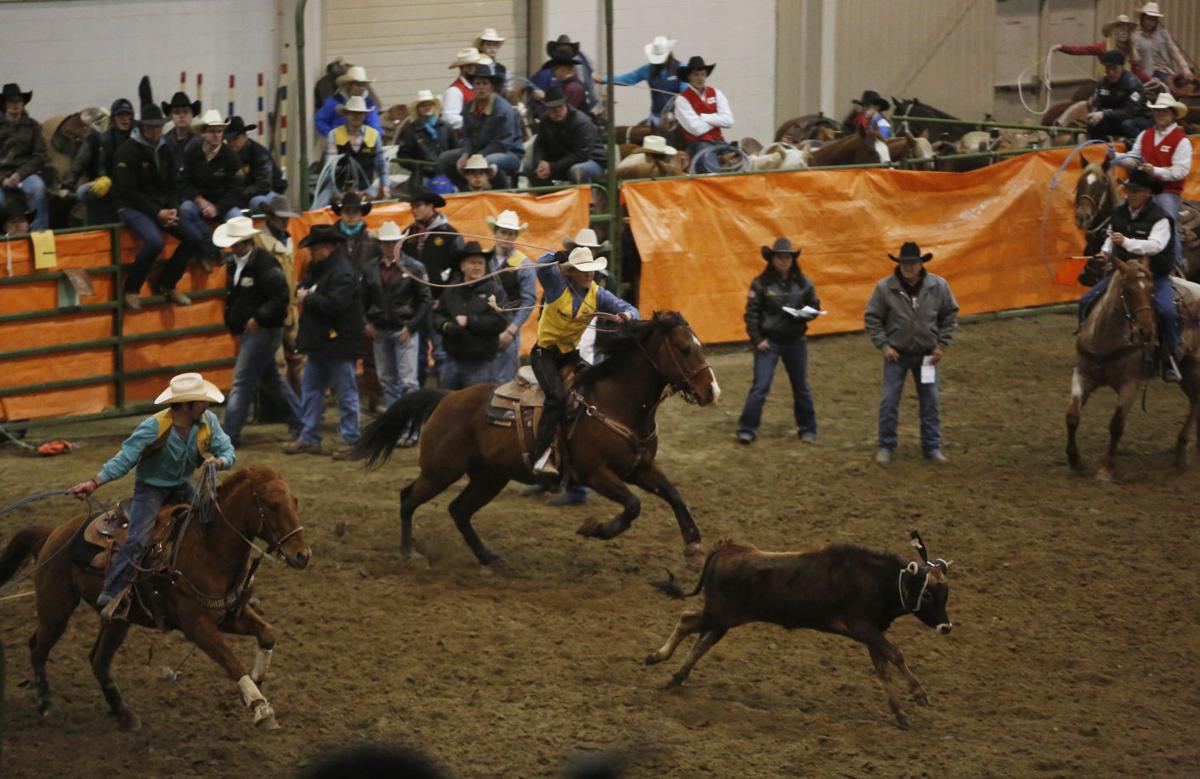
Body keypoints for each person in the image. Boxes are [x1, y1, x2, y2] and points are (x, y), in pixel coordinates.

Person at [68, 372, 235, 621]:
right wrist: (95, 482)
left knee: (214, 525)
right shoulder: (154, 427)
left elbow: (227, 449)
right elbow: (125, 459)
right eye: (201, 401)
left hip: (182, 486)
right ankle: (114, 590)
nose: (207, 405)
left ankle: (226, 588)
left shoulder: (208, 422)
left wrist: (220, 461)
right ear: (186, 405)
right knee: (138, 538)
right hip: (151, 490)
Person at [530, 245, 638, 477]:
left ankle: (585, 448)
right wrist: (554, 257)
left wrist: (627, 316)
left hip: (569, 354)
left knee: (597, 389)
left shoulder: (597, 293)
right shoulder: (556, 286)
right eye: (583, 269)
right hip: (545, 354)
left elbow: (629, 309)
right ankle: (540, 455)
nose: (589, 273)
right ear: (571, 272)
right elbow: (541, 266)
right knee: (556, 397)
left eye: (591, 269)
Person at [1078, 169, 1182, 382]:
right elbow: (1110, 236)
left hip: (1154, 275)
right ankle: (1085, 349)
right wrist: (1105, 252)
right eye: (1128, 190)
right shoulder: (1119, 212)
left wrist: (1126, 242)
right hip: (1123, 274)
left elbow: (1156, 245)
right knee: (1086, 301)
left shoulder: (1161, 218)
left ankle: (1171, 359)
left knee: (1167, 312)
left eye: (1135, 191)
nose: (1130, 194)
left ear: (1147, 193)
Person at [864, 241, 959, 464]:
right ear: (899, 264)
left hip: (928, 356)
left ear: (920, 264)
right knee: (889, 401)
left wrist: (941, 345)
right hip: (897, 355)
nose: (909, 266)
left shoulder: (938, 286)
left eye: (912, 263)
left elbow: (950, 315)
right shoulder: (884, 288)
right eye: (905, 263)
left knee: (930, 401)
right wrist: (884, 346)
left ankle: (931, 447)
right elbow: (872, 318)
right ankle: (886, 445)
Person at [111, 104, 209, 309]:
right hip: (130, 206)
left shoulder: (167, 148)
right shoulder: (126, 151)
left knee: (194, 238)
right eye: (150, 127)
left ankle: (167, 283)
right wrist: (158, 213)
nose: (155, 131)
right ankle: (132, 288)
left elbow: (174, 182)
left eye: (158, 127)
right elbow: (128, 191)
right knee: (155, 242)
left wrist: (173, 208)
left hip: (160, 206)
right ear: (143, 127)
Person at [217, 216, 302, 446]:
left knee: (242, 381)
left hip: (263, 331)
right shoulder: (240, 263)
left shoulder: (264, 264)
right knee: (273, 379)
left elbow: (281, 297)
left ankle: (229, 434)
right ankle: (301, 422)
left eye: (236, 243)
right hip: (254, 332)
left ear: (246, 242)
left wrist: (259, 317)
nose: (233, 247)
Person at [284, 224, 364, 458]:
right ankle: (309, 436)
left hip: (338, 343)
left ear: (327, 248)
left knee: (344, 392)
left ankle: (352, 439)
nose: (312, 253)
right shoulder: (324, 269)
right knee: (312, 390)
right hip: (323, 342)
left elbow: (337, 305)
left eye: (316, 248)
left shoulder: (342, 273)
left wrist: (308, 297)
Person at [736, 238, 821, 445]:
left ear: (792, 259)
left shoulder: (805, 284)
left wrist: (802, 315)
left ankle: (807, 429)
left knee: (801, 386)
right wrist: (758, 340)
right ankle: (747, 429)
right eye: (780, 257)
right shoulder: (760, 284)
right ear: (772, 259)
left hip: (796, 341)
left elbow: (815, 307)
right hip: (769, 342)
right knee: (760, 386)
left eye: (787, 257)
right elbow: (751, 314)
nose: (784, 260)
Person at [1114, 92, 1191, 274]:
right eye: (1157, 111)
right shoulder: (1145, 135)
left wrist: (1155, 171)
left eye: (1164, 112)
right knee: (1118, 211)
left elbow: (1180, 171)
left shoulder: (1181, 140)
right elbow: (1134, 159)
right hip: (1142, 189)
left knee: (1167, 218)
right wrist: (1117, 157)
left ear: (1172, 114)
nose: (1160, 115)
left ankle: (1176, 264)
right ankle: (1115, 256)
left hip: (1167, 191)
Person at [362, 221, 431, 406]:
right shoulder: (370, 268)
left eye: (393, 242)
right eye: (386, 243)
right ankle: (398, 424)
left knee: (408, 382)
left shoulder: (414, 267)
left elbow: (425, 300)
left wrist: (411, 327)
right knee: (387, 380)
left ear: (400, 242)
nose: (390, 246)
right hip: (381, 329)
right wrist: (367, 323)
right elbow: (362, 298)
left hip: (404, 330)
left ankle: (410, 428)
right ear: (380, 244)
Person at [401, 187, 462, 383]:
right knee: (416, 353)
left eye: (418, 206)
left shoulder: (450, 235)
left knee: (441, 352)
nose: (414, 210)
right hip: (415, 305)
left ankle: (444, 394)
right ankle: (417, 396)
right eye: (412, 206)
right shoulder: (408, 234)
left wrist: (444, 300)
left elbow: (458, 272)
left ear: (430, 207)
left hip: (438, 304)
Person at [330, 191, 383, 410]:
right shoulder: (332, 241)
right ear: (341, 213)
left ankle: (374, 396)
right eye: (347, 211)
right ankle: (341, 394)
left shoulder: (373, 240)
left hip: (366, 300)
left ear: (362, 214)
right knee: (339, 352)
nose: (351, 215)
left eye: (355, 211)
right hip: (339, 302)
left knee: (371, 353)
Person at [433, 241, 509, 389]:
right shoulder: (450, 290)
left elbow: (500, 322)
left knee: (473, 406)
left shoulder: (495, 291)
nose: (477, 266)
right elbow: (438, 316)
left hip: (480, 362)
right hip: (451, 359)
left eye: (480, 263)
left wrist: (470, 321)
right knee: (445, 403)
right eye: (472, 262)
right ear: (462, 266)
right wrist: (445, 325)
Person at [438, 63, 523, 189]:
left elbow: (503, 143)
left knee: (487, 162)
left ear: (492, 87)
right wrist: (466, 153)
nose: (481, 88)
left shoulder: (503, 109)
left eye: (485, 83)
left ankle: (502, 194)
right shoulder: (469, 106)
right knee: (445, 159)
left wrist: (478, 156)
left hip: (508, 153)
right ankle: (465, 191)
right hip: (477, 151)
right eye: (477, 83)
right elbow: (467, 135)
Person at [258, 195, 305, 391]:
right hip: (272, 308)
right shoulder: (259, 242)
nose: (286, 221)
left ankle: (304, 402)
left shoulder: (286, 239)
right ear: (270, 217)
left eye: (287, 218)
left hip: (290, 307)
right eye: (281, 217)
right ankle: (286, 406)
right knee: (277, 361)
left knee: (300, 355)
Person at [486, 209, 536, 383]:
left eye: (510, 233)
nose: (506, 237)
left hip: (508, 325)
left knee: (504, 379)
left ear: (515, 236)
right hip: (483, 325)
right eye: (503, 232)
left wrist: (512, 329)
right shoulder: (484, 259)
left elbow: (529, 301)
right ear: (495, 232)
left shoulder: (523, 264)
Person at [68, 97, 134, 225]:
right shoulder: (104, 138)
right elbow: (100, 163)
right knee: (82, 192)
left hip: (130, 184)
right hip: (110, 182)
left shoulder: (136, 138)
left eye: (127, 115)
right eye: (120, 115)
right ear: (113, 118)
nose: (124, 119)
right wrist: (104, 178)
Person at [316, 95, 388, 209]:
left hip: (366, 189)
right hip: (338, 189)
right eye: (353, 112)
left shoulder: (374, 135)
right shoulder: (334, 135)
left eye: (360, 113)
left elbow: (381, 165)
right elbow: (330, 167)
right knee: (316, 212)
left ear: (364, 115)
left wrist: (385, 187)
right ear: (346, 114)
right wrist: (336, 192)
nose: (356, 116)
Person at [526, 86, 605, 187]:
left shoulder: (581, 121)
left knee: (577, 170)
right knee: (530, 167)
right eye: (552, 109)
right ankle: (548, 198)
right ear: (547, 109)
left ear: (566, 105)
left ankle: (585, 202)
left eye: (560, 107)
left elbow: (581, 155)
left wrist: (552, 167)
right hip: (561, 162)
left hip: (590, 160)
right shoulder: (545, 121)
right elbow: (540, 145)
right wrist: (540, 163)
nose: (557, 112)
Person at [598, 36, 683, 128]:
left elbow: (686, 90)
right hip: (656, 117)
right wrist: (604, 79)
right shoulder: (648, 69)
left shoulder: (681, 68)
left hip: (680, 117)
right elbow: (627, 79)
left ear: (669, 54)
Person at [0, 83, 50, 230]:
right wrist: (3, 179)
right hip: (1, 175)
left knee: (38, 188)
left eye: (18, 101)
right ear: (4, 104)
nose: (15, 105)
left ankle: (39, 236)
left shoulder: (33, 126)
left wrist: (19, 174)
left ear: (23, 104)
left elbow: (39, 156)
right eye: (11, 101)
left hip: (25, 173)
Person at [1053, 14, 1151, 83]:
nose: (1123, 33)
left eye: (1126, 31)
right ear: (1114, 32)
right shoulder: (1103, 47)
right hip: (1107, 82)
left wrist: (1150, 80)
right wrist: (1062, 47)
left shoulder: (1130, 50)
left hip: (1126, 83)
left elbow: (1137, 70)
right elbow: (1082, 49)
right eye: (1120, 30)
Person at [1086, 50, 1152, 142]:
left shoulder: (1132, 83)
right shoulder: (1103, 82)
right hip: (1116, 118)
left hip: (1139, 118)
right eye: (1108, 68)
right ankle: (1105, 150)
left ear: (1122, 67)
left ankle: (1140, 149)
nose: (1111, 73)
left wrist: (1105, 114)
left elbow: (1130, 111)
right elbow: (1097, 102)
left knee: (1128, 124)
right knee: (1093, 124)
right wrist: (1094, 113)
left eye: (1114, 68)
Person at [673, 56, 733, 156]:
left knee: (739, 158)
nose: (700, 78)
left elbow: (729, 121)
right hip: (697, 144)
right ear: (689, 77)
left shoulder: (717, 93)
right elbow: (697, 130)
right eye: (696, 75)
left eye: (702, 74)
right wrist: (717, 120)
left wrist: (703, 117)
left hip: (719, 141)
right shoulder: (682, 100)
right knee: (709, 161)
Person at [225, 116, 286, 213]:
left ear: (245, 135)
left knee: (258, 202)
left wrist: (238, 194)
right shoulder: (227, 155)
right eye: (228, 140)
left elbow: (264, 185)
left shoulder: (259, 154)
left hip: (268, 192)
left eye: (235, 138)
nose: (231, 143)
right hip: (244, 194)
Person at [396, 90, 457, 173]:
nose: (427, 108)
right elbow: (403, 156)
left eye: (429, 105)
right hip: (423, 175)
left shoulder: (445, 127)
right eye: (423, 105)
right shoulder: (410, 131)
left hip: (447, 172)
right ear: (417, 109)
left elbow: (455, 149)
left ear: (434, 107)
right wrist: (419, 168)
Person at [314, 65, 383, 137]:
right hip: (336, 143)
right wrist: (331, 134)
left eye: (363, 85)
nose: (362, 88)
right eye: (358, 85)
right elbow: (320, 120)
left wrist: (372, 139)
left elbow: (374, 126)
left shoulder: (369, 104)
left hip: (361, 142)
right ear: (348, 85)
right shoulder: (334, 101)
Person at [1135, 2, 1194, 86]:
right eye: (1149, 19)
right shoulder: (1136, 37)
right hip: (1148, 73)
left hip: (1165, 71)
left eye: (1154, 20)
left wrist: (1185, 67)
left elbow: (1174, 50)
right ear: (1143, 19)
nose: (1151, 22)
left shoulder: (1163, 34)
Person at [442, 48, 487, 132]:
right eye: (471, 65)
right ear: (463, 68)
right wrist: (476, 124)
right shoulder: (454, 91)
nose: (476, 69)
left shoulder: (477, 87)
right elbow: (450, 118)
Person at [159, 91, 201, 181]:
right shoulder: (163, 143)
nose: (182, 116)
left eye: (185, 112)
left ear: (192, 115)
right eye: (177, 112)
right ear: (171, 116)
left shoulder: (200, 143)